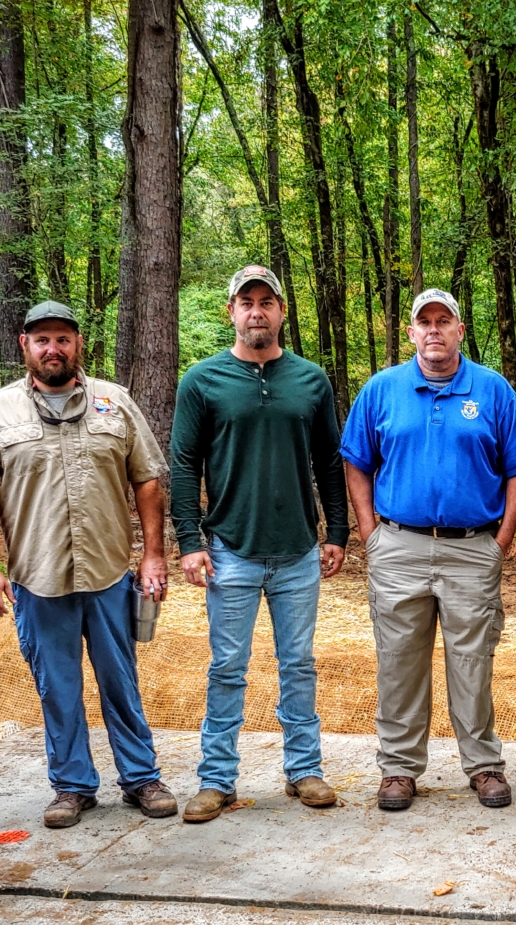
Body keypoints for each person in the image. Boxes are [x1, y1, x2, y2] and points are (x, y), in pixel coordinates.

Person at [0, 300, 175, 828]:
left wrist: (153, 555)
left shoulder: (114, 403)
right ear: (24, 346)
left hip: (109, 574)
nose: (54, 348)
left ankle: (142, 778)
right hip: (38, 578)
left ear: (78, 345)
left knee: (121, 679)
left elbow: (147, 479)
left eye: (63, 339)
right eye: (42, 339)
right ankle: (72, 787)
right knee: (58, 686)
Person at [342, 289, 516, 811]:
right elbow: (356, 461)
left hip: (472, 548)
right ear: (410, 332)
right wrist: (370, 534)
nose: (433, 330)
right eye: (423, 322)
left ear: (459, 330)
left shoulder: (492, 390)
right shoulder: (383, 390)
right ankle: (400, 769)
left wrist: (502, 541)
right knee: (399, 660)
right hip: (398, 546)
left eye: (443, 321)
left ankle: (483, 765)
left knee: (472, 660)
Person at [170, 265, 350, 823]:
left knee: (298, 663)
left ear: (281, 311)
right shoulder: (202, 381)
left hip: (298, 551)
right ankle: (216, 778)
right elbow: (182, 464)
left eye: (266, 302)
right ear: (232, 312)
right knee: (227, 665)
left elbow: (329, 462)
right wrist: (189, 540)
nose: (256, 311)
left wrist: (337, 532)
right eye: (245, 302)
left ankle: (304, 770)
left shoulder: (311, 380)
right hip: (230, 550)